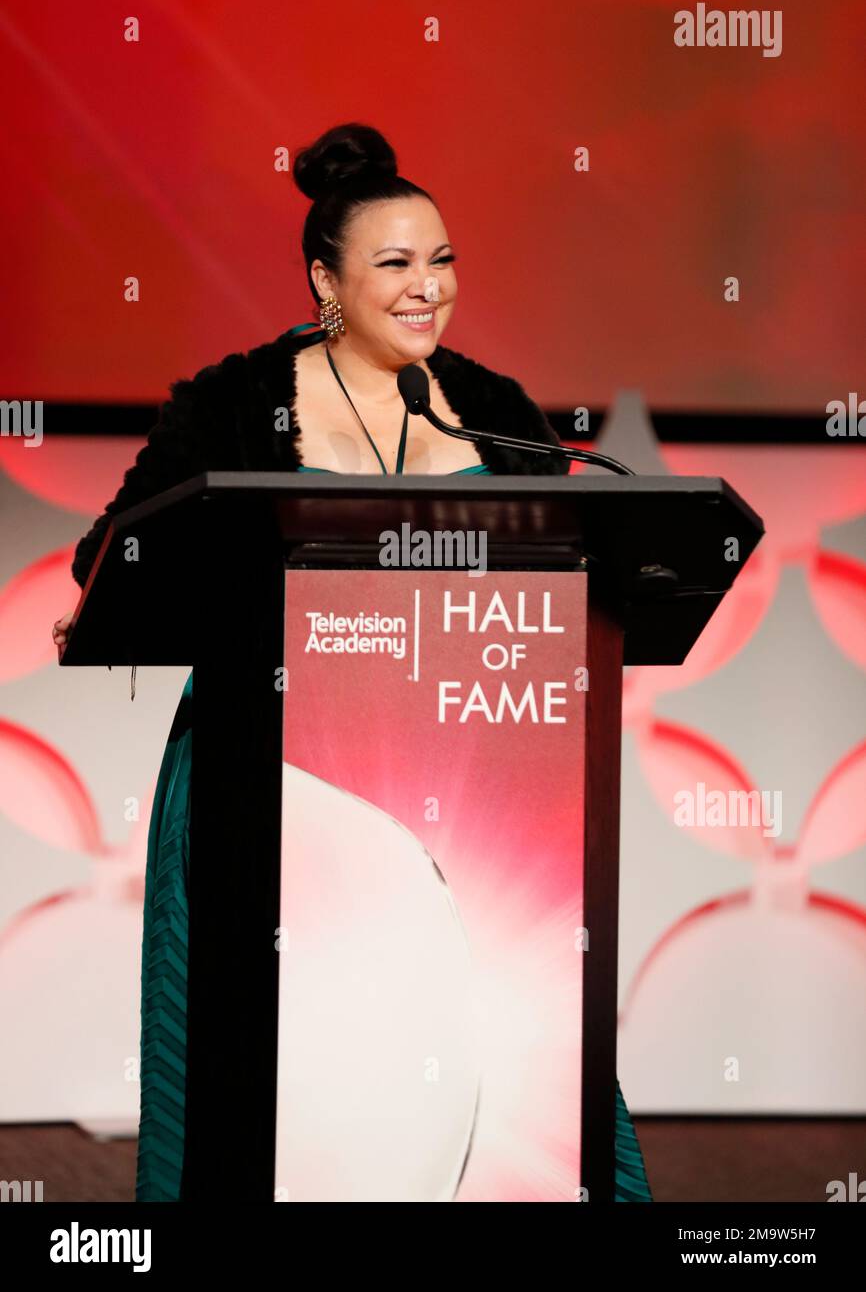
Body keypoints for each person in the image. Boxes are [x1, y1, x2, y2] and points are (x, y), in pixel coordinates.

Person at [53, 122, 652, 1203]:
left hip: (483, 789)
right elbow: (115, 555)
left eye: (444, 260)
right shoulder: (233, 405)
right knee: (266, 1075)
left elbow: (577, 555)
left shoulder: (495, 411)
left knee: (514, 1084)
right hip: (272, 780)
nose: (429, 289)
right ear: (324, 278)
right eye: (395, 264)